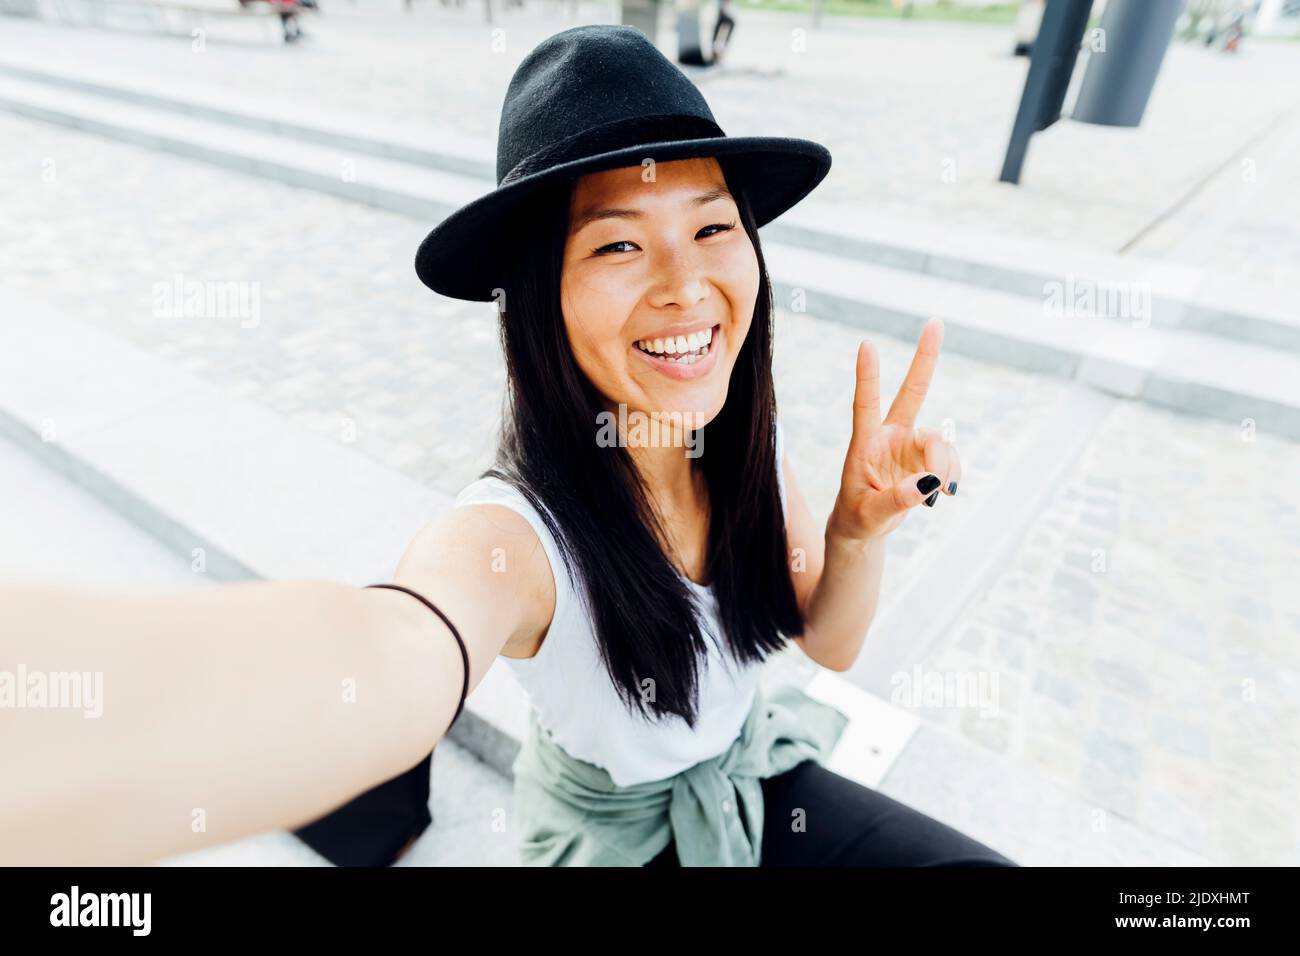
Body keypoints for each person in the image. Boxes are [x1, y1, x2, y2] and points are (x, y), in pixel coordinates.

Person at [0, 25, 1015, 868]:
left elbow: (825, 644)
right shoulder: (512, 538)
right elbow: (384, 650)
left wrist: (854, 528)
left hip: (755, 777)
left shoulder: (742, 439)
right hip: (617, 840)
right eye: (618, 243)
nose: (682, 283)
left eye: (711, 227)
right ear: (541, 296)